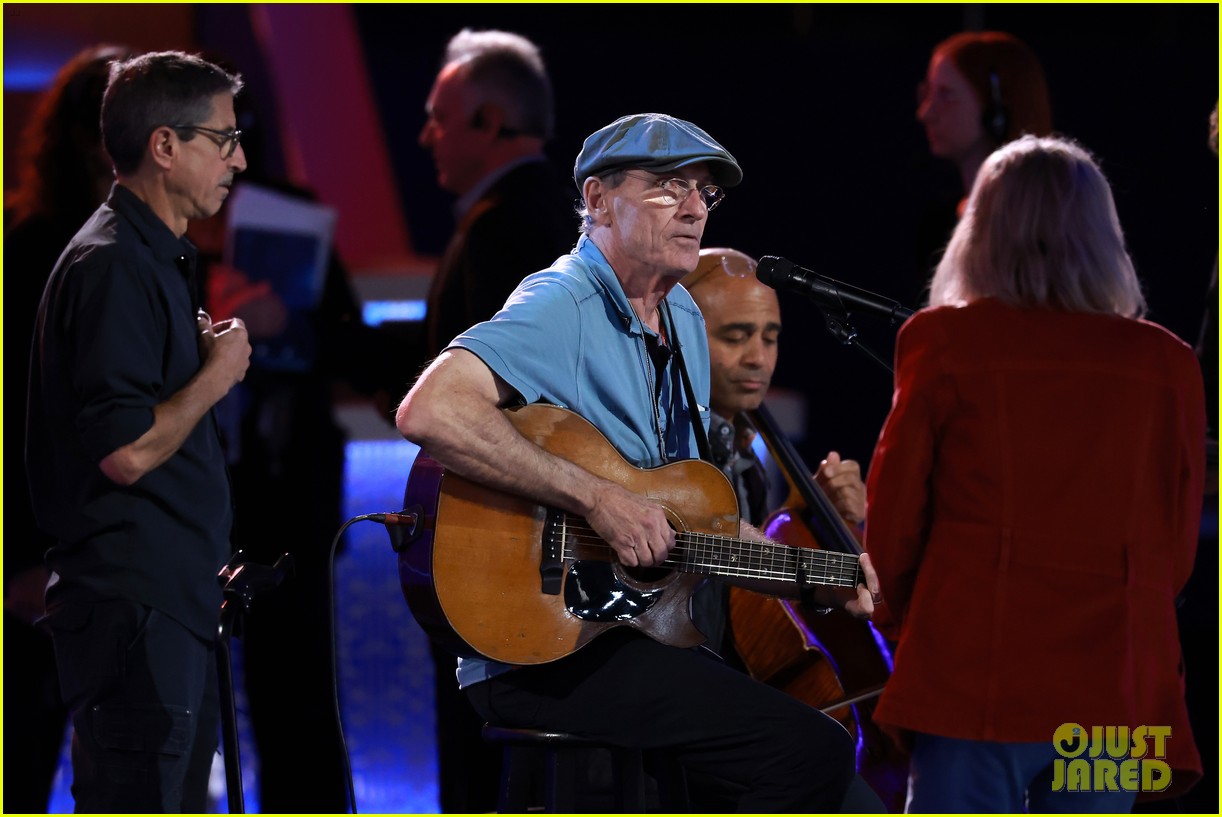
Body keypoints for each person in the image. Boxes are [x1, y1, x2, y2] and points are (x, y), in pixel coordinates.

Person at [397, 112, 879, 811]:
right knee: (810, 750)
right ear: (597, 200)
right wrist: (597, 499)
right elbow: (430, 410)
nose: (693, 208)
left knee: (848, 785)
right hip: (549, 643)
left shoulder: (681, 315)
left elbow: (693, 520)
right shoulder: (560, 300)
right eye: (667, 187)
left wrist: (814, 581)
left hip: (640, 631)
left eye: (704, 194)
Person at [865, 135, 1205, 812]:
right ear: (1103, 236)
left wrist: (905, 627)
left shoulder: (944, 343)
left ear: (981, 231)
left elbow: (893, 530)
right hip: (1114, 694)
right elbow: (1175, 550)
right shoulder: (1168, 365)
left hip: (973, 679)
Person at [25, 51, 252, 811]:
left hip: (166, 608)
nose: (239, 158)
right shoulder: (114, 264)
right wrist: (217, 376)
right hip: (135, 614)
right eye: (222, 140)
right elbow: (124, 452)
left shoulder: (149, 257)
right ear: (164, 145)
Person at [415, 28, 579, 812]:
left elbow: (493, 397)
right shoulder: (543, 212)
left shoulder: (503, 225)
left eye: (440, 117)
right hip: (531, 541)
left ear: (487, 120)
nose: (426, 135)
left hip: (500, 543)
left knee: (487, 756)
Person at [4, 42, 131, 815]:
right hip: (44, 573)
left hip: (106, 573)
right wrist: (19, 563)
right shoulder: (37, 251)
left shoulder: (135, 248)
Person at [910, 31, 1053, 309]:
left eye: (945, 95)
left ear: (997, 110)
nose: (925, 112)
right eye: (927, 93)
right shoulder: (938, 225)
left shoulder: (1044, 229)